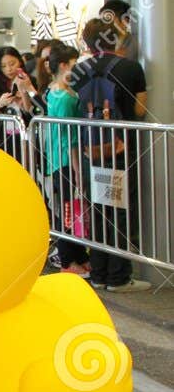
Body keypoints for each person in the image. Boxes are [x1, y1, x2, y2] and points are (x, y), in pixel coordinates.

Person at [70, 15, 149, 292]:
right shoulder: (131, 68)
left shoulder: (79, 71)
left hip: (90, 150)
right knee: (121, 210)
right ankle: (119, 277)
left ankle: (100, 273)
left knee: (99, 209)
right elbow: (140, 111)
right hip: (121, 150)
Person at [42, 41, 89, 276]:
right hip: (66, 159)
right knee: (69, 210)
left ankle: (76, 257)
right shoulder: (67, 98)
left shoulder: (53, 91)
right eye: (74, 64)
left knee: (68, 209)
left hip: (56, 158)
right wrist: (78, 168)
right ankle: (68, 261)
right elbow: (69, 136)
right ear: (63, 65)